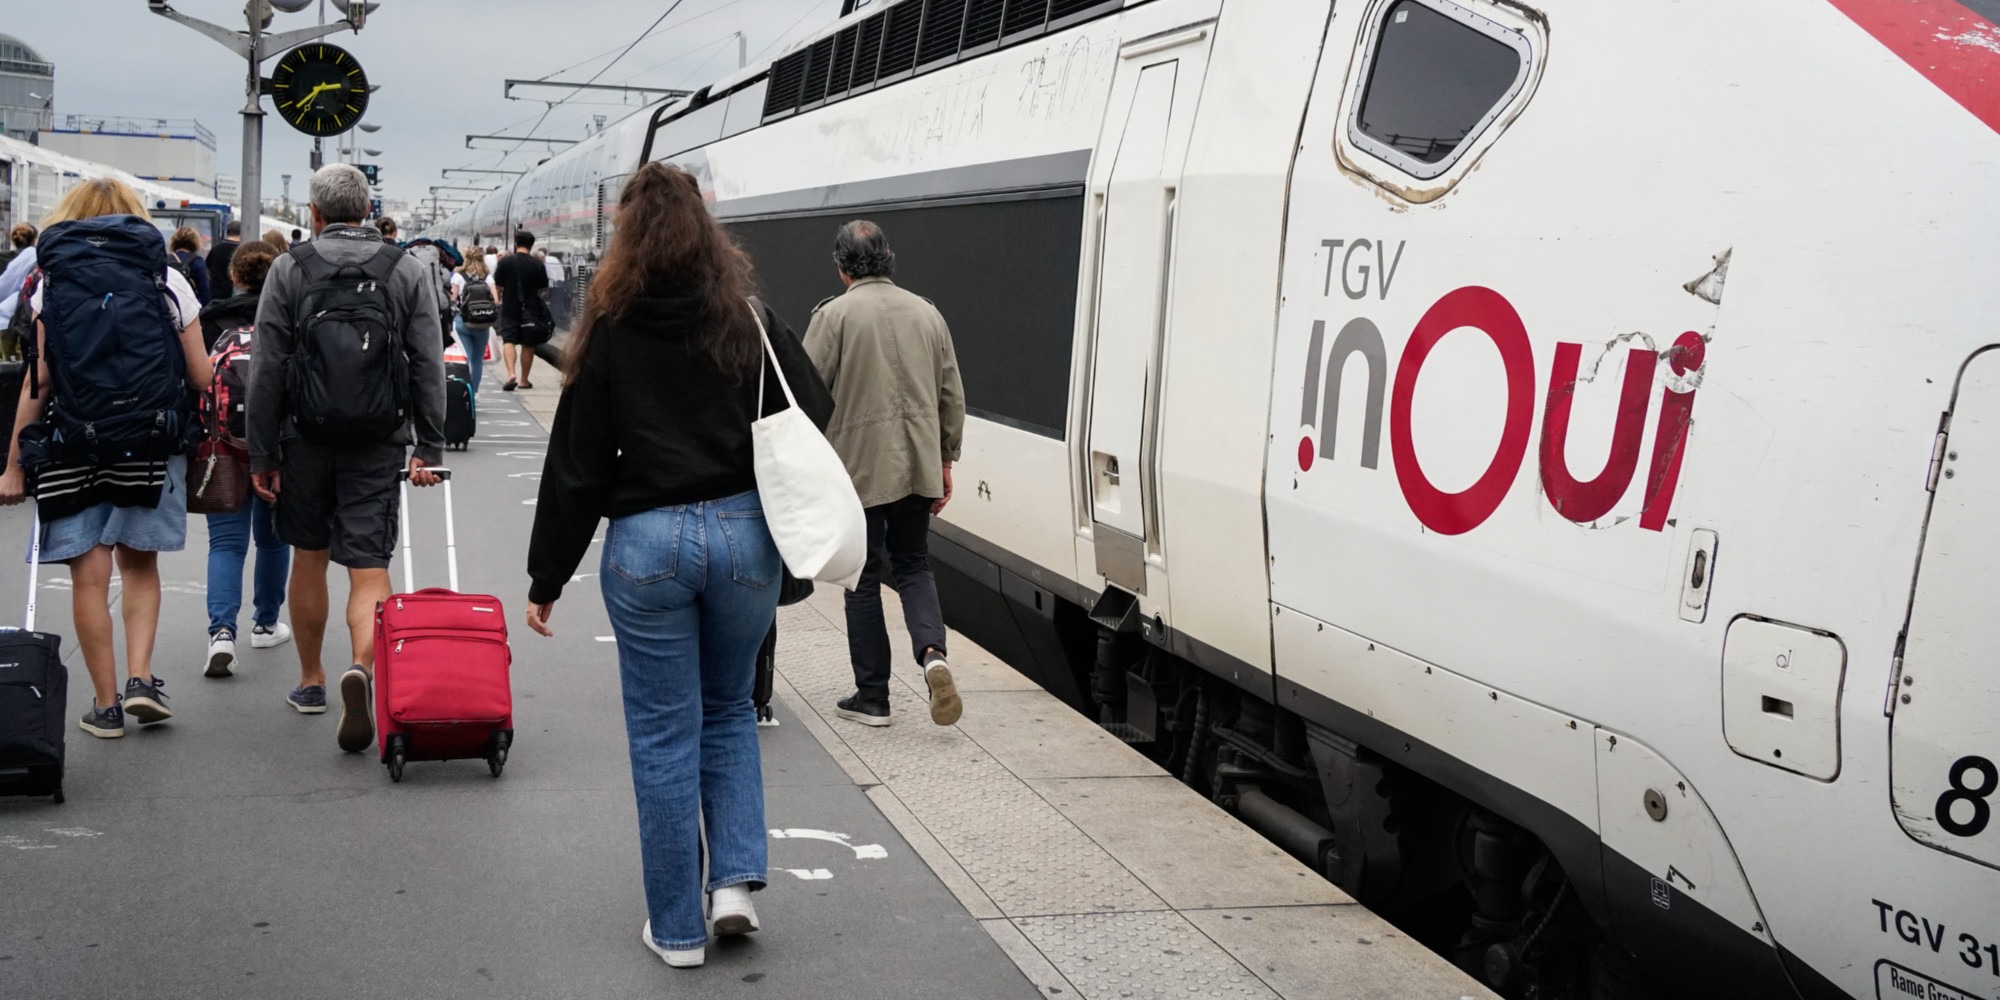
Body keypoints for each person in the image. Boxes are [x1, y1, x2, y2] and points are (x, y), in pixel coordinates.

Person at [525, 162, 833, 969]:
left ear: (625, 236)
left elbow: (577, 464)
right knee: (730, 708)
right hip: (742, 539)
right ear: (708, 233)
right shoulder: (748, 317)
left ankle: (676, 929)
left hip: (649, 545)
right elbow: (814, 408)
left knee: (664, 733)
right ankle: (732, 883)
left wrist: (546, 578)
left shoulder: (610, 324)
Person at [0, 178, 215, 738]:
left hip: (75, 439)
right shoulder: (165, 277)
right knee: (139, 567)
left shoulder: (51, 280)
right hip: (150, 441)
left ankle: (106, 704)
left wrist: (13, 464)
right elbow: (200, 375)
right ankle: (142, 679)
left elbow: (39, 378)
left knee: (88, 578)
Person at [247, 164, 445, 746]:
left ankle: (311, 680)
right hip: (377, 441)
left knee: (308, 557)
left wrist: (262, 452)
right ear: (367, 209)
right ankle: (363, 665)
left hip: (302, 438)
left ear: (313, 213)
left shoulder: (289, 268)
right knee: (369, 568)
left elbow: (266, 369)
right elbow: (428, 362)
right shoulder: (403, 267)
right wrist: (427, 444)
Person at [804, 220, 966, 728]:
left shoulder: (833, 317)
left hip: (860, 471)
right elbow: (951, 396)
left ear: (841, 265)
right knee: (914, 564)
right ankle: (933, 654)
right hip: (918, 463)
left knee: (863, 578)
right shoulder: (928, 314)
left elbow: (808, 392)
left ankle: (873, 697)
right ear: (888, 258)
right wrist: (945, 459)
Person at [195, 240, 292, 677]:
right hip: (278, 446)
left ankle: (221, 634)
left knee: (226, 544)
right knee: (273, 539)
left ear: (234, 276)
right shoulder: (289, 317)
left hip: (222, 447)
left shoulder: (209, 320)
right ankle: (266, 623)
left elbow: (194, 382)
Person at [492, 230, 550, 391]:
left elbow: (498, 285)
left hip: (510, 307)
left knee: (509, 340)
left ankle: (511, 374)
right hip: (531, 309)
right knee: (528, 344)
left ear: (516, 243)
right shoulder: (537, 263)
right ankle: (524, 380)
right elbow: (543, 288)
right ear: (531, 246)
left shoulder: (505, 262)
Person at [450, 252, 496, 392]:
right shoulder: (488, 278)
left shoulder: (458, 276)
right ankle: (474, 392)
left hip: (462, 321)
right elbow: (496, 300)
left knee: (465, 358)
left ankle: (464, 392)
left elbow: (452, 298)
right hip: (483, 323)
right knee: (477, 360)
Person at [0, 223, 38, 359]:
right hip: (21, 319)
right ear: (34, 239)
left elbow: (4, 286)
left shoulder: (4, 258)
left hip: (5, 320)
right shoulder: (35, 255)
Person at [170, 227, 213, 307]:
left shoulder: (167, 259)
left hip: (171, 306)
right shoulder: (197, 262)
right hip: (190, 307)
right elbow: (204, 291)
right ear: (195, 242)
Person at [207, 220, 243, 301]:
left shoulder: (216, 249)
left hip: (216, 296)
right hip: (236, 296)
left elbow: (208, 268)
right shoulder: (242, 251)